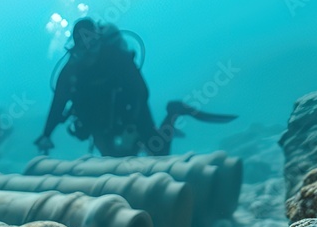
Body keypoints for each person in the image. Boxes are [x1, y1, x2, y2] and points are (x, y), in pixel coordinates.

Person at [35, 18, 235, 157]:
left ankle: (174, 112)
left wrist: (132, 123)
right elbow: (58, 103)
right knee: (117, 161)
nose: (89, 47)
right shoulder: (71, 71)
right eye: (82, 41)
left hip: (131, 111)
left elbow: (141, 91)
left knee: (158, 153)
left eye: (92, 39)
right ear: (75, 45)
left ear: (98, 37)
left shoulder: (114, 55)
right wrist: (46, 134)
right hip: (99, 124)